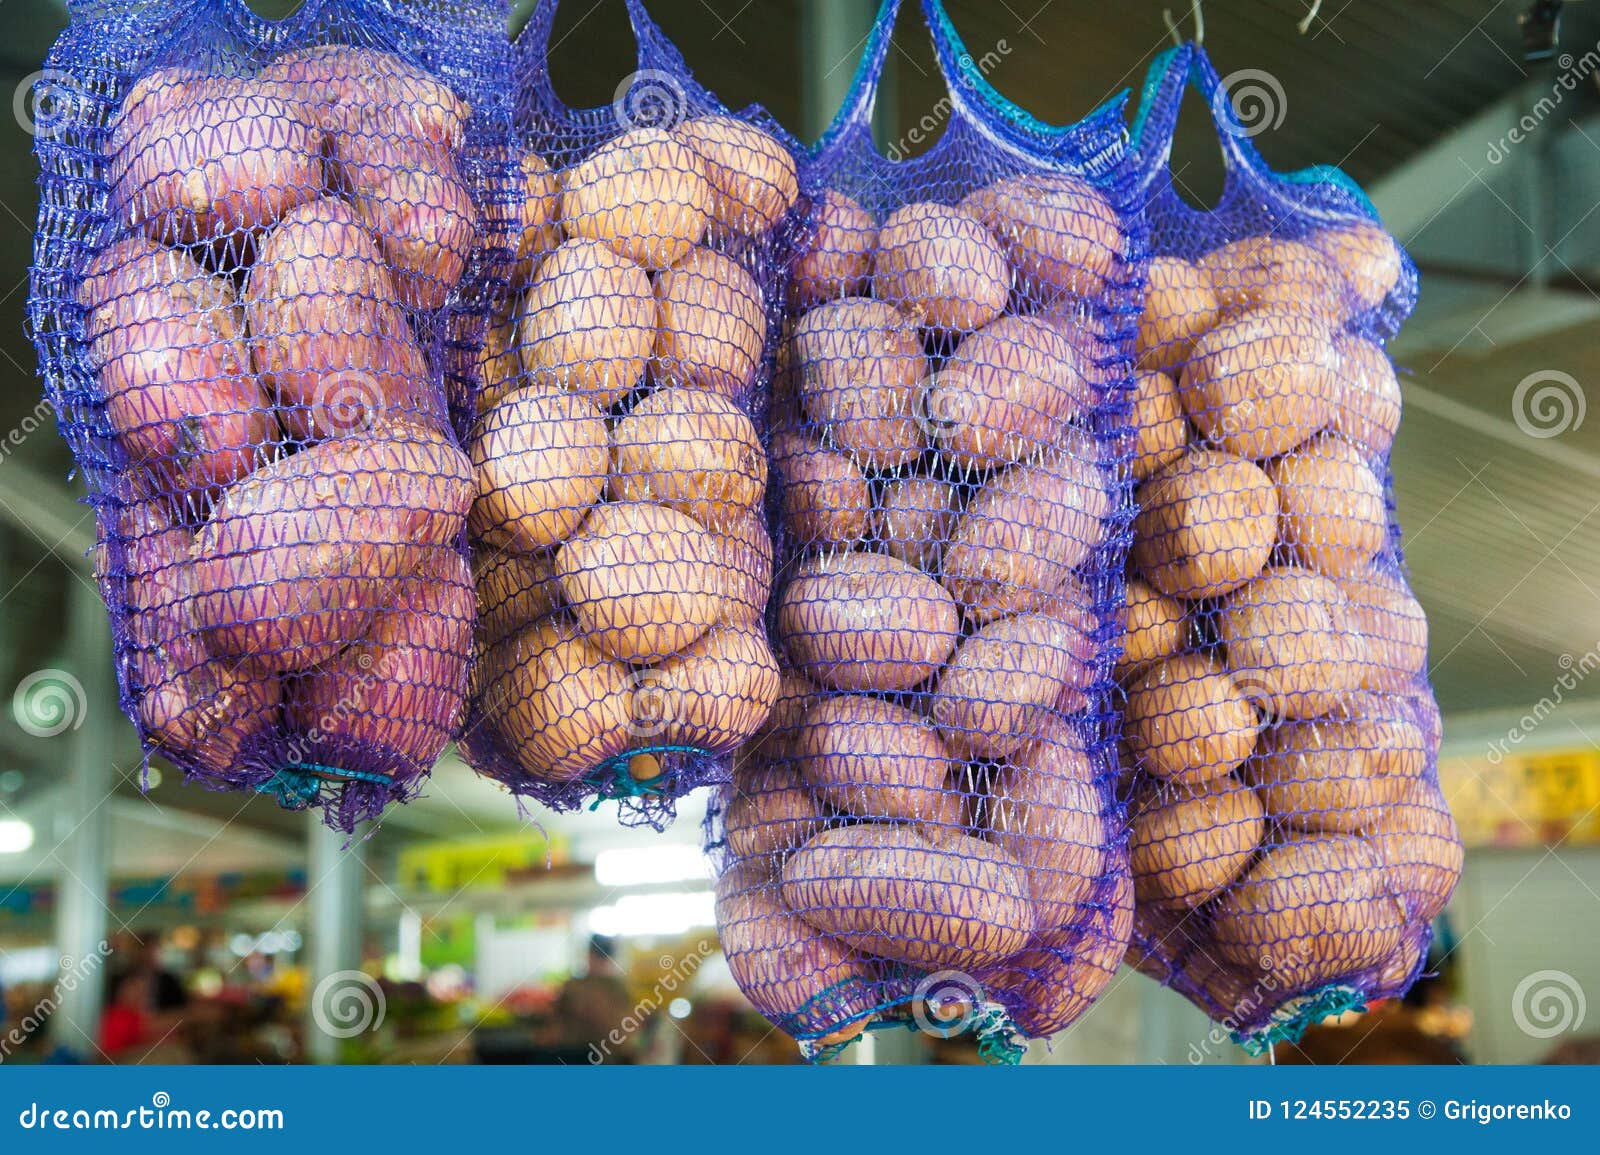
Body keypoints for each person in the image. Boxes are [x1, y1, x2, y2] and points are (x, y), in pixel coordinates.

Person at [552, 935, 639, 1063]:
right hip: (588, 1057)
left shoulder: (575, 986)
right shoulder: (618, 987)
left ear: (589, 955)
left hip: (588, 1058)